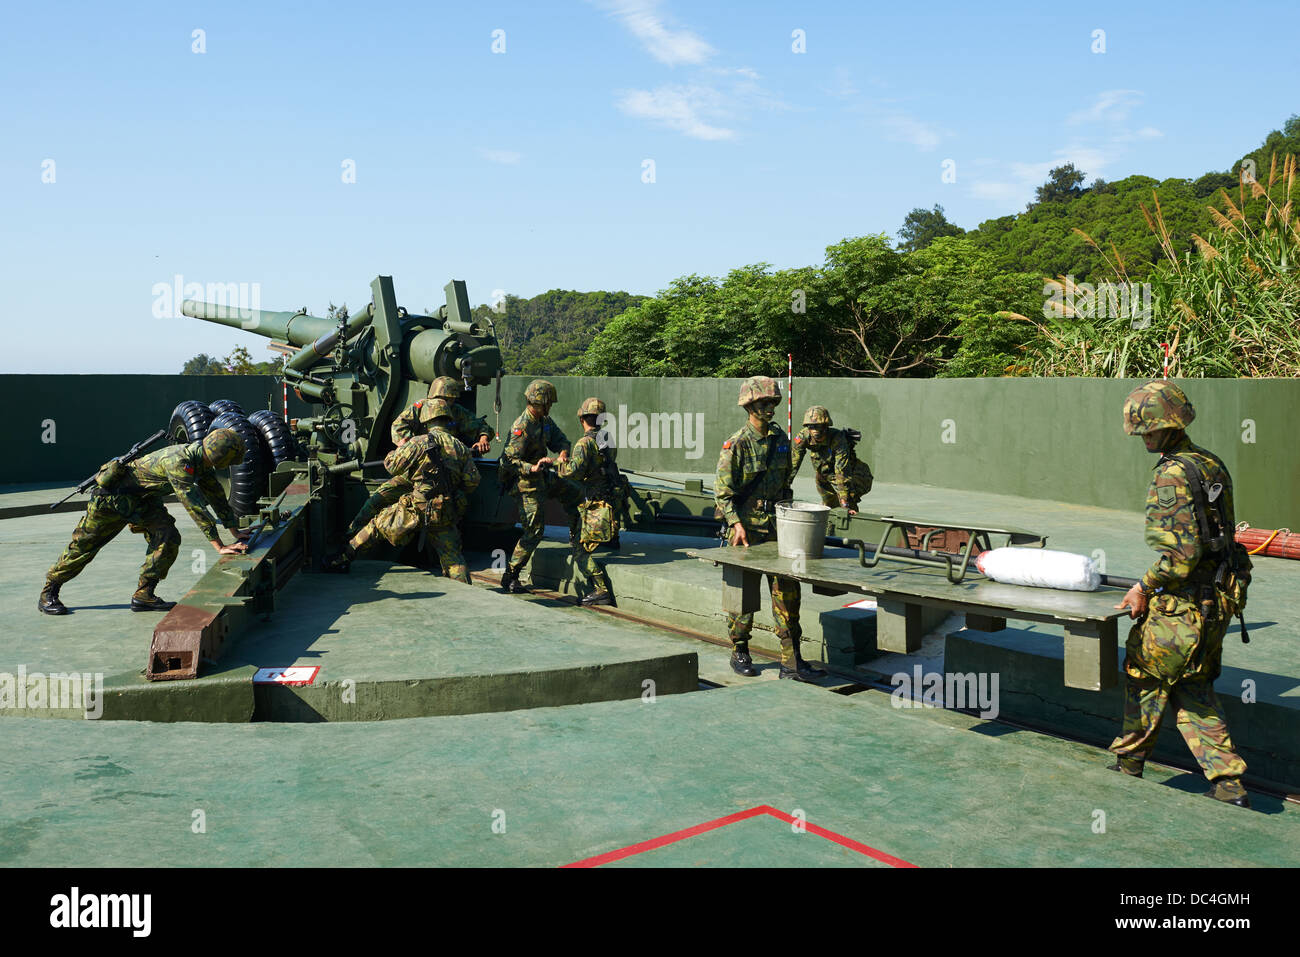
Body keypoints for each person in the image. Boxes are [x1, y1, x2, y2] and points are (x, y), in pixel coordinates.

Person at [1110, 380, 1253, 808]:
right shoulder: (1210, 463)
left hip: (1183, 605)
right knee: (1192, 687)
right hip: (1218, 600)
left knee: (1144, 673)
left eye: (1149, 431)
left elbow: (1180, 556)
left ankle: (1131, 761)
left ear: (1168, 427)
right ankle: (1228, 781)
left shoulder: (1171, 473)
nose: (1144, 439)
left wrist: (1142, 587)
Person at [39, 428, 250, 614]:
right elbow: (193, 504)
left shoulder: (201, 462)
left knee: (167, 535)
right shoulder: (180, 461)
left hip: (142, 500)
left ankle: (144, 595)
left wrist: (234, 530)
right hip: (111, 500)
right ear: (220, 456)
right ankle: (49, 591)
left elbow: (216, 496)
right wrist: (219, 545)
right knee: (84, 547)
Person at [715, 376, 826, 681]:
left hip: (779, 530)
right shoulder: (736, 444)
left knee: (788, 593)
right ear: (749, 405)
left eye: (773, 403)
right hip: (746, 532)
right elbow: (723, 493)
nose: (770, 408)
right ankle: (739, 650)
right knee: (743, 596)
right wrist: (735, 523)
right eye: (764, 403)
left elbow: (786, 480)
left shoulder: (781, 441)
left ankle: (791, 662)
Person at [328, 400, 479, 582]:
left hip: (416, 507)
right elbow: (472, 482)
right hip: (445, 510)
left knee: (376, 526)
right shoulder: (460, 447)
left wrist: (395, 452)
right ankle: (464, 591)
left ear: (426, 419)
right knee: (453, 558)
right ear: (447, 419)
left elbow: (393, 467)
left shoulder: (419, 442)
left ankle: (342, 559)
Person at [346, 377, 494, 538]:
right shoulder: (420, 407)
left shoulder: (457, 412)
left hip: (443, 473)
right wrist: (410, 446)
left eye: (448, 400)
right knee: (379, 497)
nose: (443, 404)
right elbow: (398, 426)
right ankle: (352, 533)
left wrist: (483, 438)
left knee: (451, 508)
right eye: (441, 399)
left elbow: (481, 426)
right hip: (414, 470)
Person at [498, 379, 581, 594]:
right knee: (534, 531)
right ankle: (511, 575)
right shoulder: (522, 427)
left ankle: (577, 538)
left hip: (542, 477)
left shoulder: (545, 421)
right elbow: (508, 460)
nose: (550, 408)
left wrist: (563, 453)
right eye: (547, 404)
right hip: (525, 483)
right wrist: (532, 468)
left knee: (573, 493)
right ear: (537, 403)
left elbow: (561, 440)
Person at [557, 397, 618, 606]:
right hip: (608, 502)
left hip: (592, 504)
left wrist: (559, 464)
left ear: (582, 418)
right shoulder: (607, 438)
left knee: (579, 550)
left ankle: (600, 589)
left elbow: (573, 472)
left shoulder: (584, 443)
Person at [789, 406, 874, 512]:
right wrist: (785, 486)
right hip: (827, 476)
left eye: (818, 426)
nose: (815, 430)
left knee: (848, 502)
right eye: (811, 426)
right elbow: (793, 464)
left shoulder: (838, 439)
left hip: (857, 475)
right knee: (830, 507)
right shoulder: (803, 436)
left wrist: (845, 503)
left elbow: (842, 471)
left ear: (825, 426)